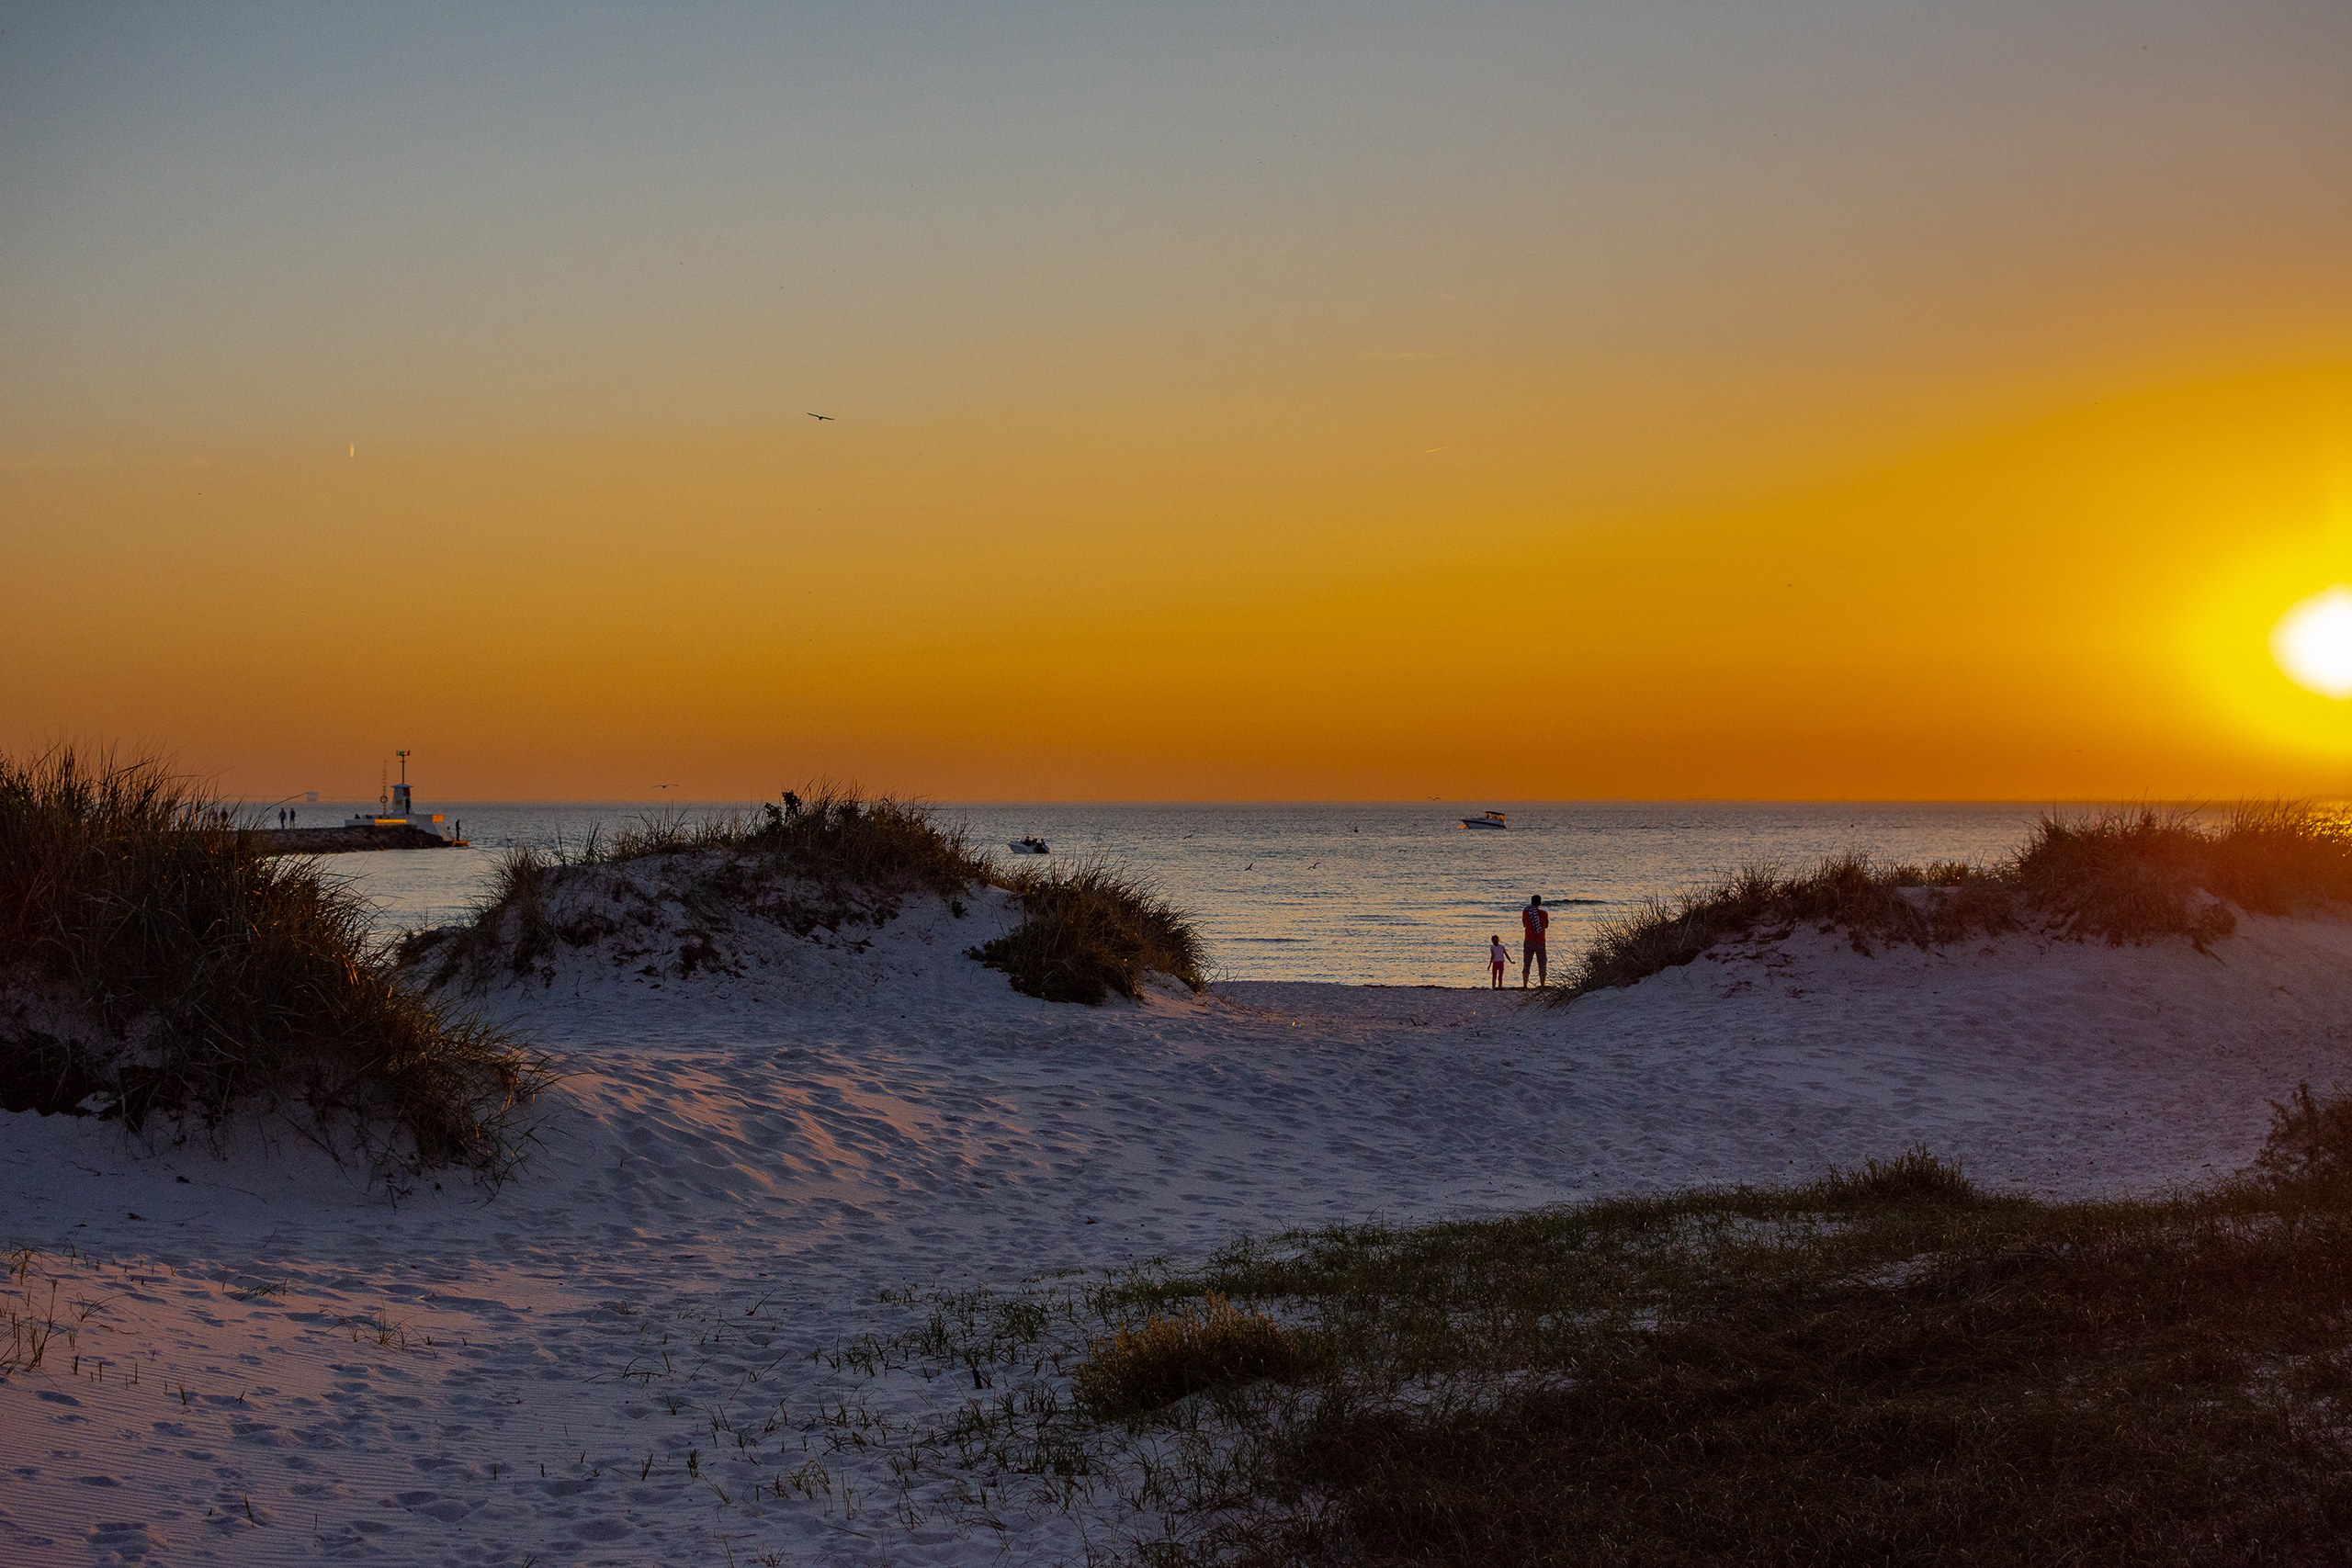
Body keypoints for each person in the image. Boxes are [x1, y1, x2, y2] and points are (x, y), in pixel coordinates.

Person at [1521, 894, 1549, 987]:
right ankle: (1542, 984)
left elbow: (1524, 924)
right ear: (1540, 903)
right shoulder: (1544, 914)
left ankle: (1525, 984)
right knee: (1542, 963)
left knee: (1527, 963)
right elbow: (1546, 926)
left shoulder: (1526, 912)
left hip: (1528, 940)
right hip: (1540, 941)